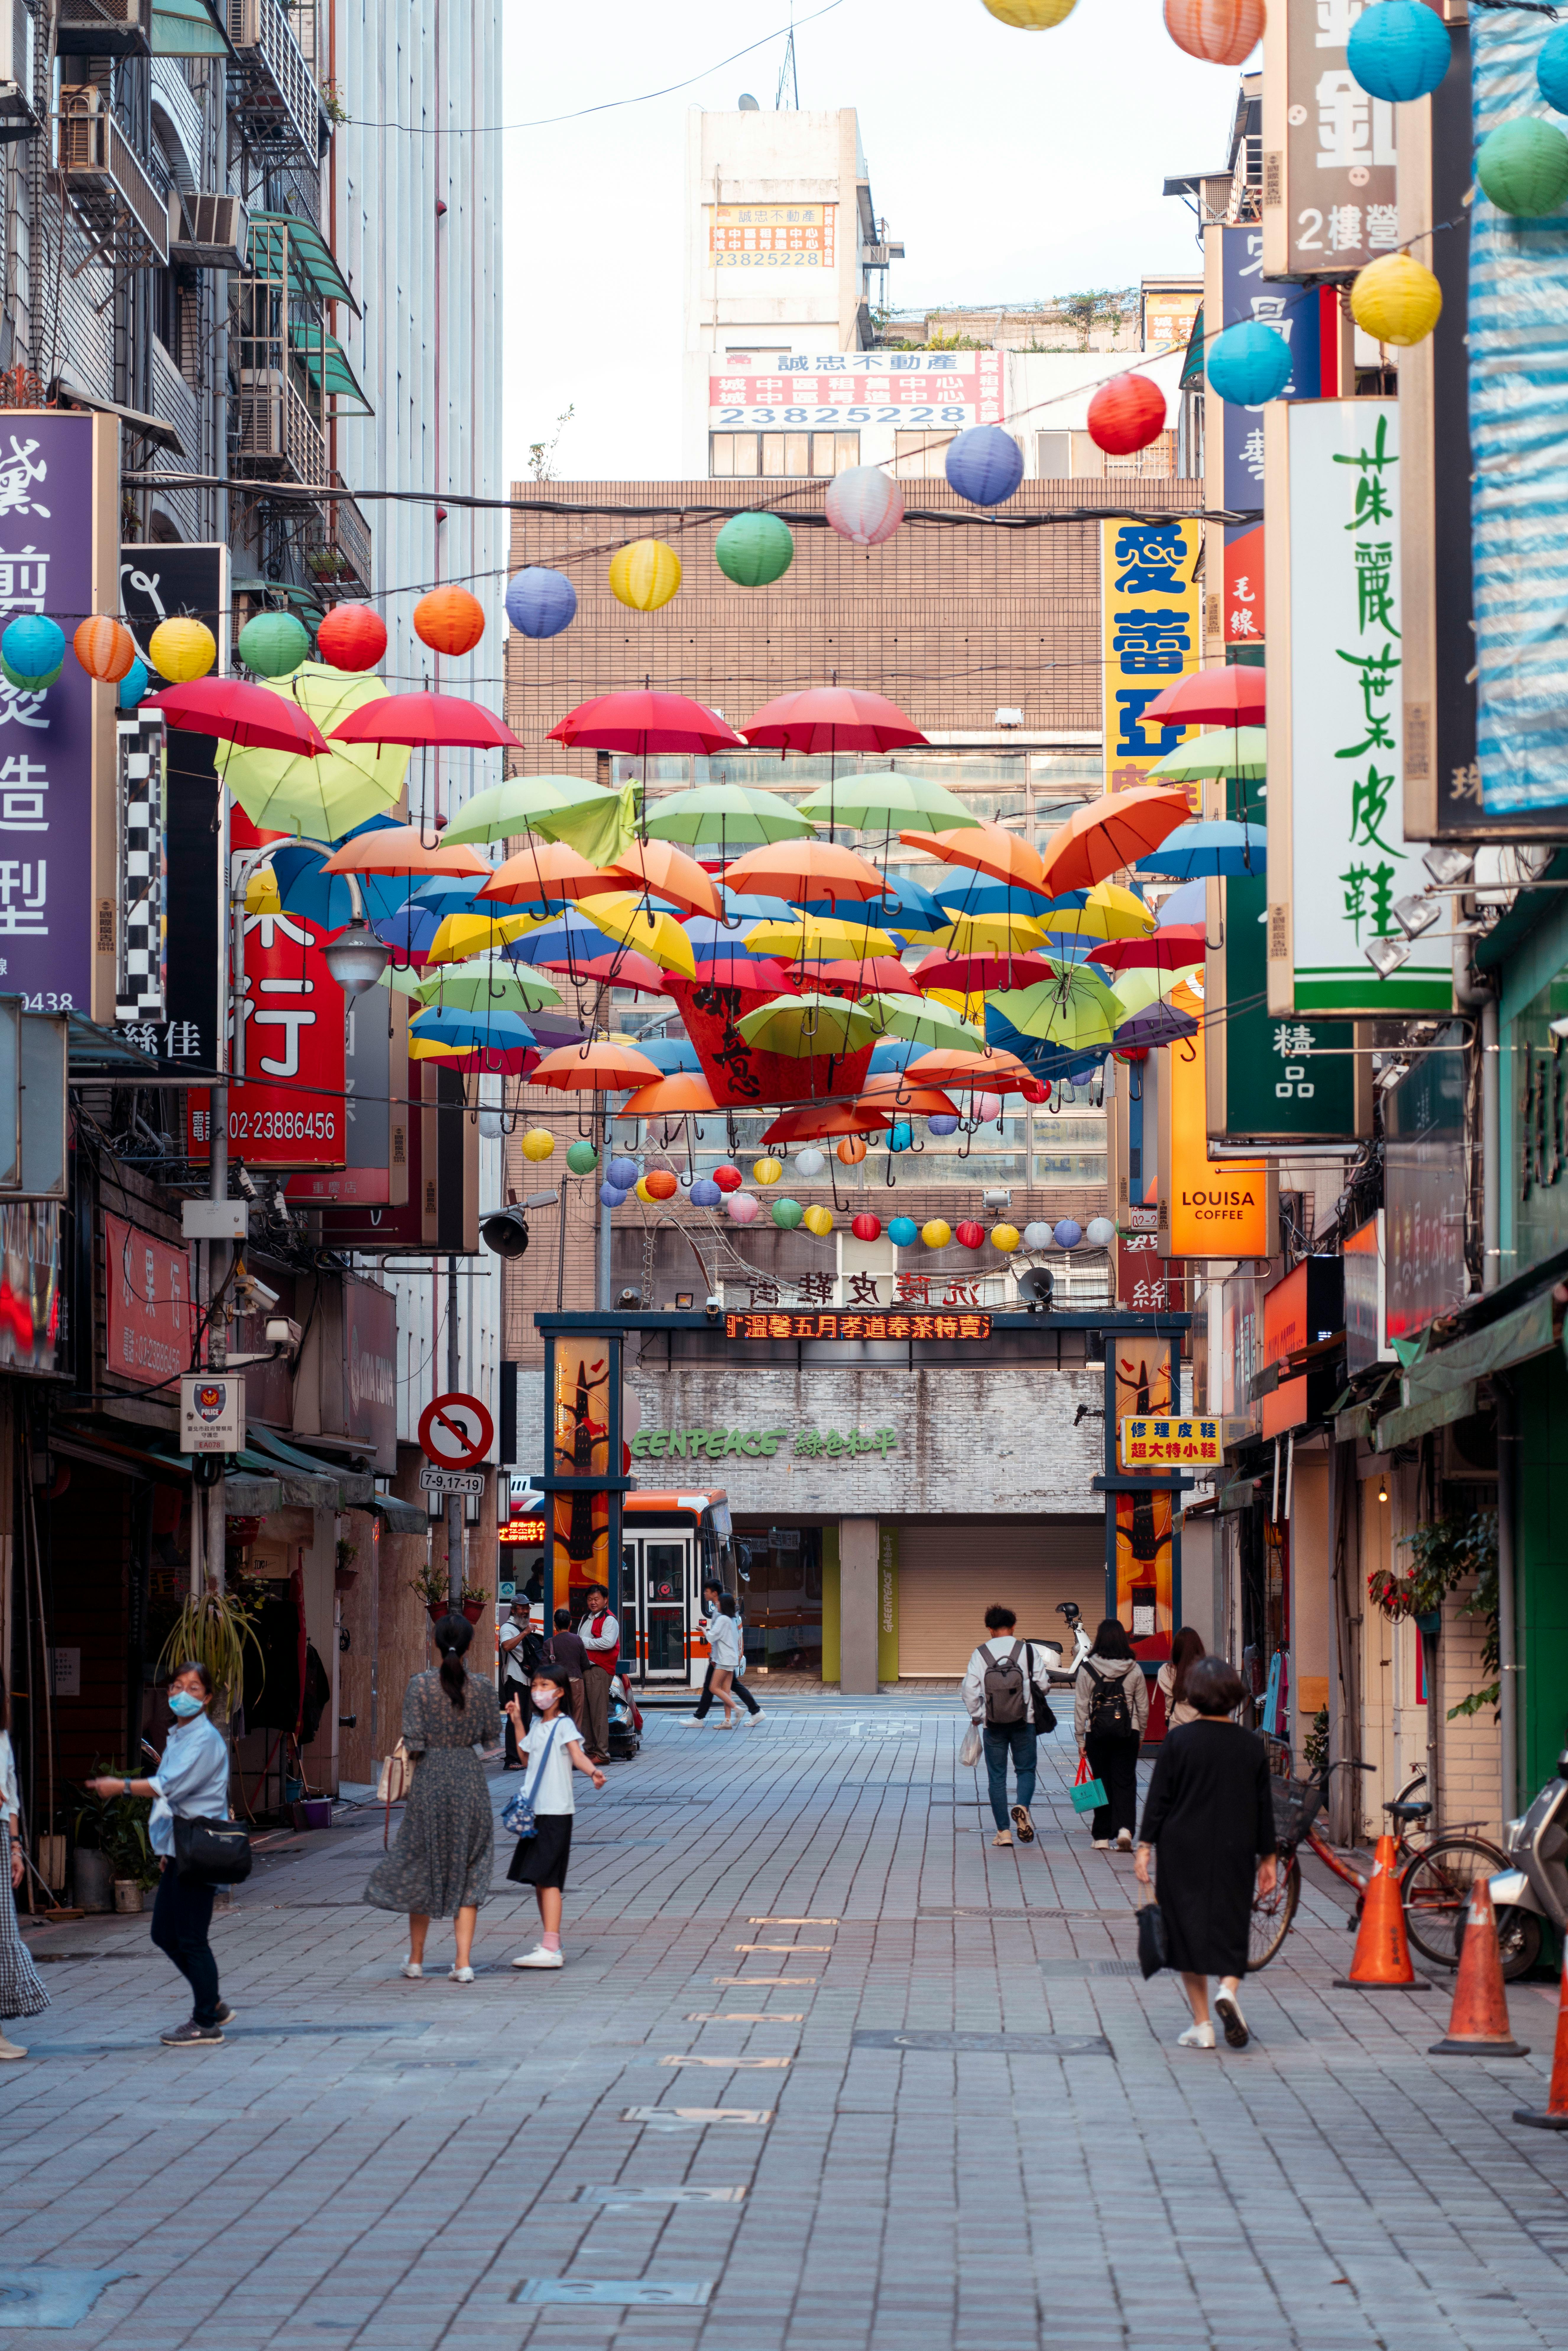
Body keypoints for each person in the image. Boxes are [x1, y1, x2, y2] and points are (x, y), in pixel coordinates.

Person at [1135, 1654, 1278, 2050]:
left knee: (1185, 1932)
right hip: (1235, 1847)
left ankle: (1203, 2025)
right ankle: (1228, 1990)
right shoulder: (1251, 1747)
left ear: (1194, 1696)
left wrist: (1144, 1847)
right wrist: (1269, 1859)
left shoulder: (1179, 1741)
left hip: (1183, 1848)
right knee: (1232, 1923)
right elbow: (1263, 1806)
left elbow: (1159, 1800)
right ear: (1233, 1697)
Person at [88, 1661, 231, 2048]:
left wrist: (121, 1786)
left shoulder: (203, 1740)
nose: (183, 1694)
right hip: (180, 1848)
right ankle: (211, 2002)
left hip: (199, 1849)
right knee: (164, 1934)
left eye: (194, 1688)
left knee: (190, 1938)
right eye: (177, 1687)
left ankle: (206, 2020)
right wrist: (166, 1848)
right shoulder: (180, 1735)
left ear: (208, 1697)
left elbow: (171, 1787)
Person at [364, 1613, 501, 1984]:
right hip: (470, 1780)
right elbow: (492, 1736)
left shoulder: (419, 1686)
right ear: (471, 1645)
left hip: (430, 1780)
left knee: (423, 1862)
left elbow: (413, 1739)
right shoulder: (484, 1686)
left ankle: (417, 1958)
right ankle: (463, 1962)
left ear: (435, 1643)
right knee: (471, 1865)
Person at [502, 1665, 605, 1968]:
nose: (537, 1691)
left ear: (560, 1692)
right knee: (538, 1879)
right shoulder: (538, 1725)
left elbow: (577, 1755)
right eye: (534, 1685)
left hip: (557, 1812)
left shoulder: (563, 1725)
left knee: (548, 1880)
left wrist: (593, 1772)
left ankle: (551, 1945)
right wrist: (517, 1720)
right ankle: (551, 1943)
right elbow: (525, 1757)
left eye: (544, 1685)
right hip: (537, 1812)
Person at [961, 1605, 1056, 1847]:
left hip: (993, 1725)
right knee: (1025, 1771)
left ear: (990, 1629)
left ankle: (1004, 1833)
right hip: (1026, 1721)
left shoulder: (981, 1653)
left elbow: (969, 1690)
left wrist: (980, 1714)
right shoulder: (1028, 1651)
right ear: (1014, 1626)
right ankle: (1022, 1807)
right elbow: (1044, 1685)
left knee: (997, 1778)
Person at [0, 1668, 47, 2059]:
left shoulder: (1, 1737)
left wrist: (16, 1849)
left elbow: (11, 1794)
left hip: (0, 1839)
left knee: (2, 1934)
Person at [1073, 1617, 1149, 1852]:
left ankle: (1102, 1836)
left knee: (1102, 1782)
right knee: (1125, 1782)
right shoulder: (1134, 1668)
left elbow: (1081, 1706)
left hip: (1097, 1733)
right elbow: (1143, 1706)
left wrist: (1080, 1738)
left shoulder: (1087, 1669)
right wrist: (1141, 1734)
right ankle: (1125, 1829)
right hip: (1128, 1733)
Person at [689, 1579, 762, 1723]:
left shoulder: (721, 1616)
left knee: (713, 1687)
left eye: (706, 1591)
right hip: (727, 1658)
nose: (704, 1594)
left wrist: (704, 1631)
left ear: (714, 1594)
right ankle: (730, 1720)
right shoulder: (729, 1616)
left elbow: (713, 1637)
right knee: (727, 1688)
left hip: (722, 1658)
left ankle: (739, 1710)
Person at [576, 1584, 618, 1765]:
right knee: (585, 1712)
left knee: (598, 1712)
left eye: (597, 1599)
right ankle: (590, 1750)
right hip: (586, 1669)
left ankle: (601, 1754)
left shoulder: (610, 1620)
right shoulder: (586, 1618)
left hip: (599, 1669)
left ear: (606, 1600)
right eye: (590, 1600)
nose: (593, 1603)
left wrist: (583, 1642)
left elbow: (608, 1643)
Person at [499, 1599, 542, 1769]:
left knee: (526, 1718)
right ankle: (511, 1759)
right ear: (514, 1610)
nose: (525, 1612)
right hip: (514, 1678)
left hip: (527, 1679)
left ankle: (522, 1756)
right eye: (522, 1608)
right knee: (514, 1719)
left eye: (527, 1609)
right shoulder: (507, 1628)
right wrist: (525, 1633)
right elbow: (507, 1646)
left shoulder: (524, 1627)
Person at [542, 1607, 588, 1730]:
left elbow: (544, 1668)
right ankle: (574, 1745)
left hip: (557, 1686)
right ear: (570, 1623)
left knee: (557, 1716)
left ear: (555, 1624)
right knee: (576, 1717)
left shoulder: (549, 1643)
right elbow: (585, 1664)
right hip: (576, 1683)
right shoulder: (577, 1640)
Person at [1157, 1627, 1207, 1735]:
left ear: (1176, 1649)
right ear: (1199, 1648)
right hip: (1201, 1731)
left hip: (1176, 1730)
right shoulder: (1206, 1673)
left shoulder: (1166, 1672)